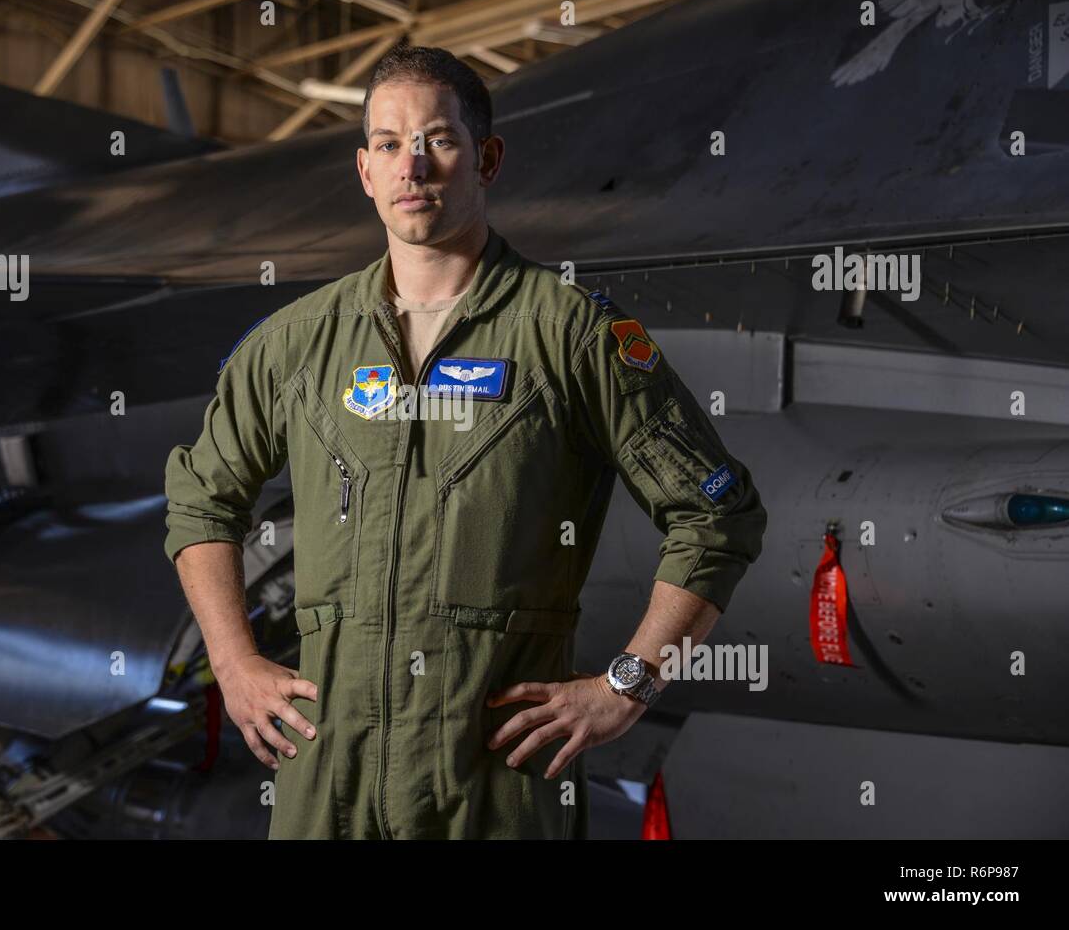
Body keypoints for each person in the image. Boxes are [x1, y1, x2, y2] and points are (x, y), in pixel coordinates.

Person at [164, 41, 767, 839]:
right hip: (325, 787)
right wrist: (235, 664)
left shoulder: (571, 335)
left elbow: (717, 514)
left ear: (486, 158)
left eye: (437, 141)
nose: (412, 167)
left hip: (492, 786)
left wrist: (628, 683)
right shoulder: (295, 344)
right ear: (365, 171)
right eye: (388, 144)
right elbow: (201, 499)